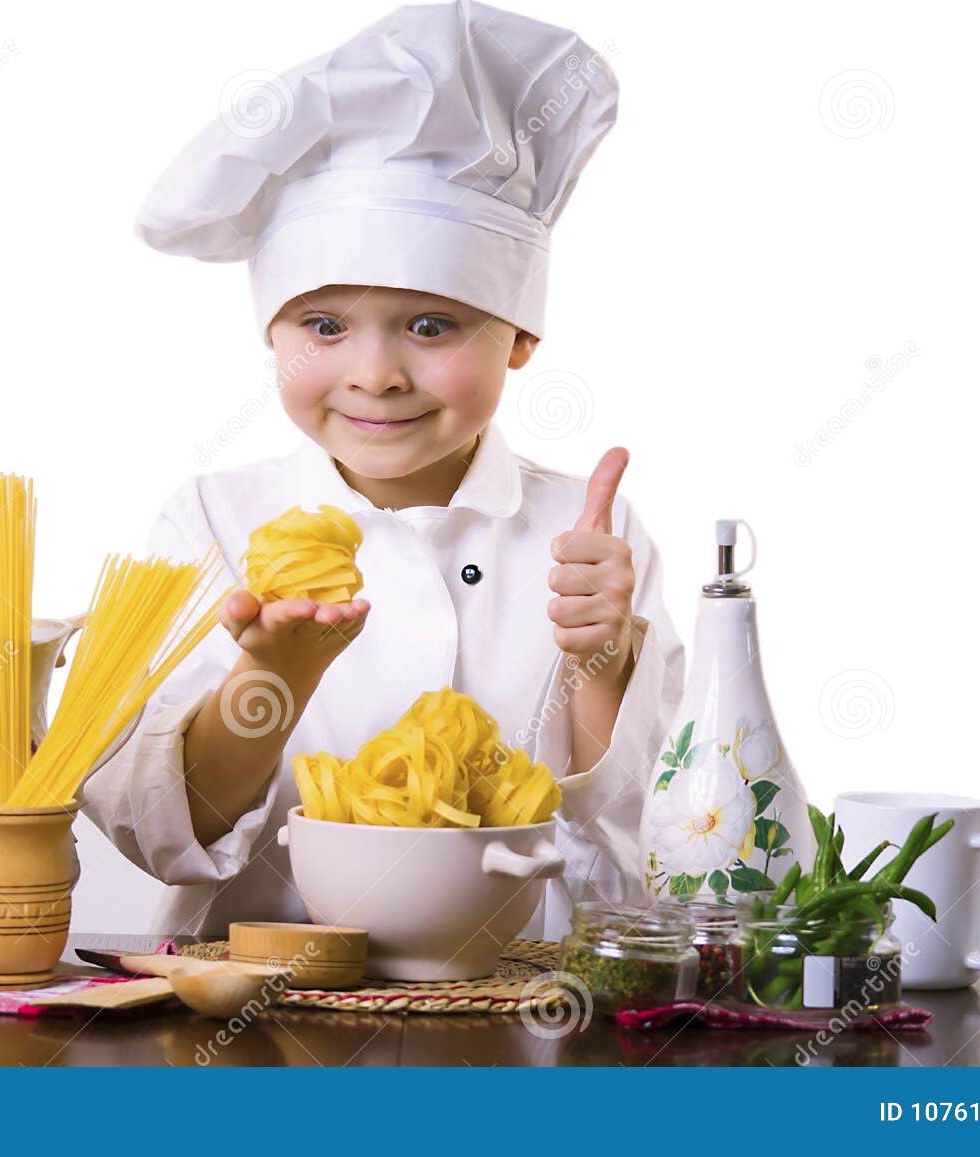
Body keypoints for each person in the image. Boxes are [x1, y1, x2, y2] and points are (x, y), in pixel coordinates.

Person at [80, 0, 686, 939]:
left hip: (525, 999)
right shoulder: (211, 520)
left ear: (521, 335)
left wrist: (603, 661)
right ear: (271, 331)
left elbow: (651, 837)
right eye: (324, 325)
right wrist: (272, 675)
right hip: (271, 999)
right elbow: (164, 829)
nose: (376, 373)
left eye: (431, 325)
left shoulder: (589, 537)